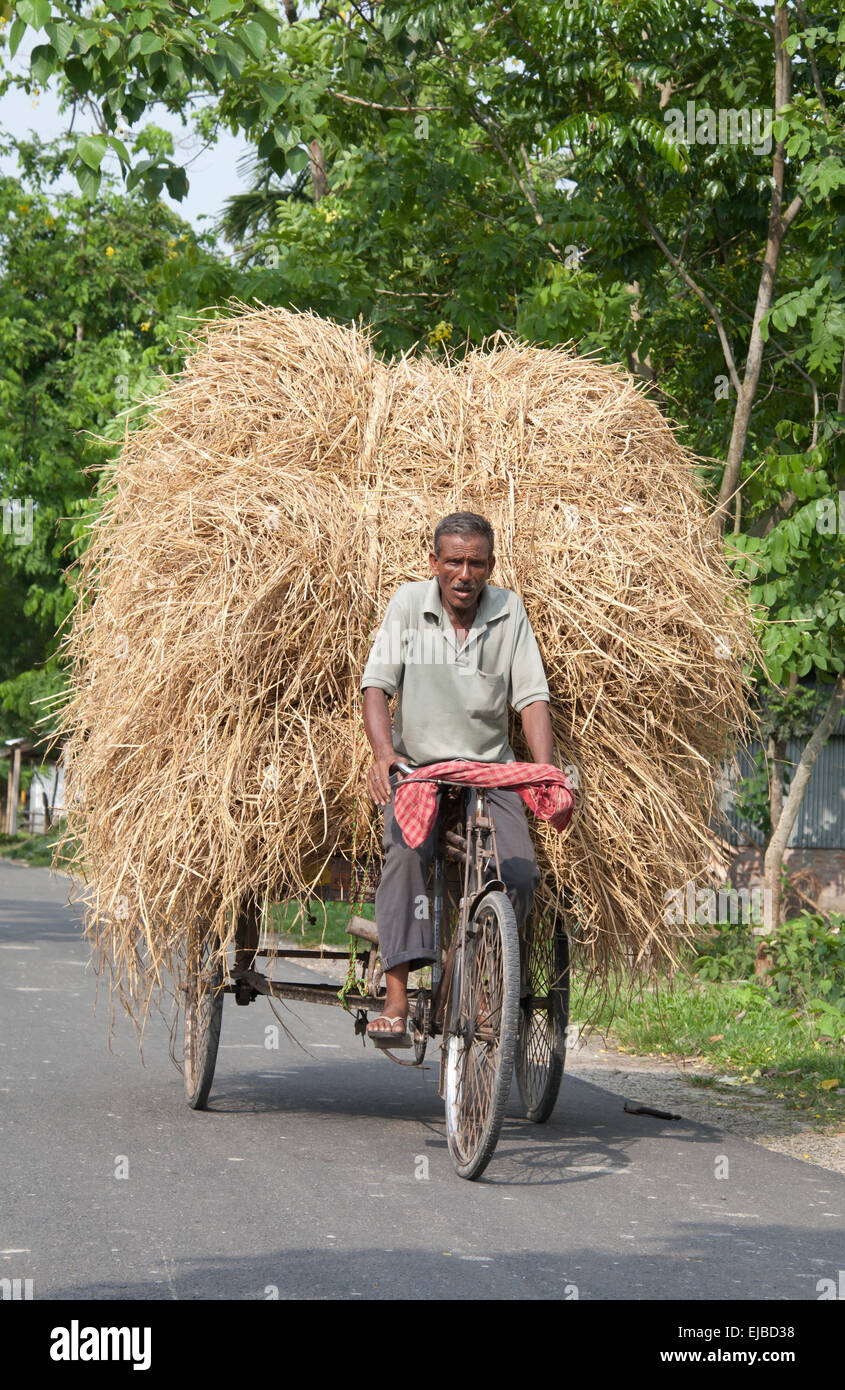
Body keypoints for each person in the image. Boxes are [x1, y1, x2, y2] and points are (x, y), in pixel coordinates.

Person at [360, 510, 555, 1042]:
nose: (465, 574)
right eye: (454, 562)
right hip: (419, 768)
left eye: (476, 563)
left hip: (490, 770)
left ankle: (489, 990)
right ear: (435, 564)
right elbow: (376, 686)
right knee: (405, 854)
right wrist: (383, 755)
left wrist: (544, 772)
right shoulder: (408, 605)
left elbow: (532, 697)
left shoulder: (508, 611)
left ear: (490, 566)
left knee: (518, 873)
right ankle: (396, 999)